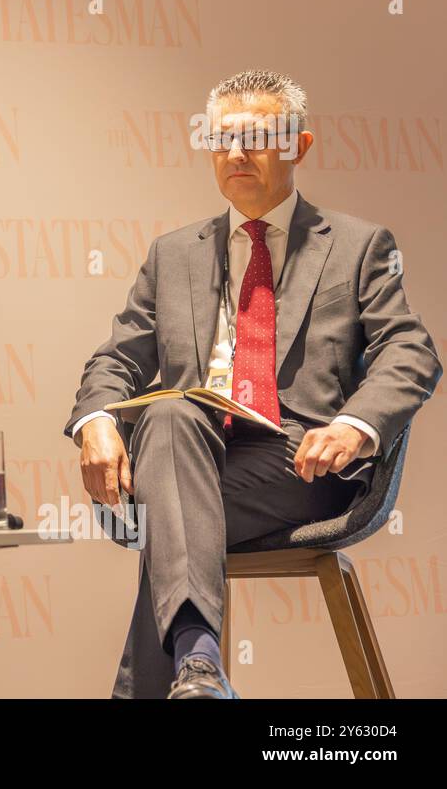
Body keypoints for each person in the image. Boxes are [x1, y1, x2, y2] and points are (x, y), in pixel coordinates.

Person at [66, 69, 441, 698]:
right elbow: (116, 360)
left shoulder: (357, 245)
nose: (236, 153)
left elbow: (411, 350)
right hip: (191, 451)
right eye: (223, 138)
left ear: (300, 145)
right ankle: (199, 670)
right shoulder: (173, 253)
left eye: (259, 137)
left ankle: (183, 669)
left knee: (164, 517)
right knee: (169, 414)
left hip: (302, 462)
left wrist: (354, 425)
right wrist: (96, 421)